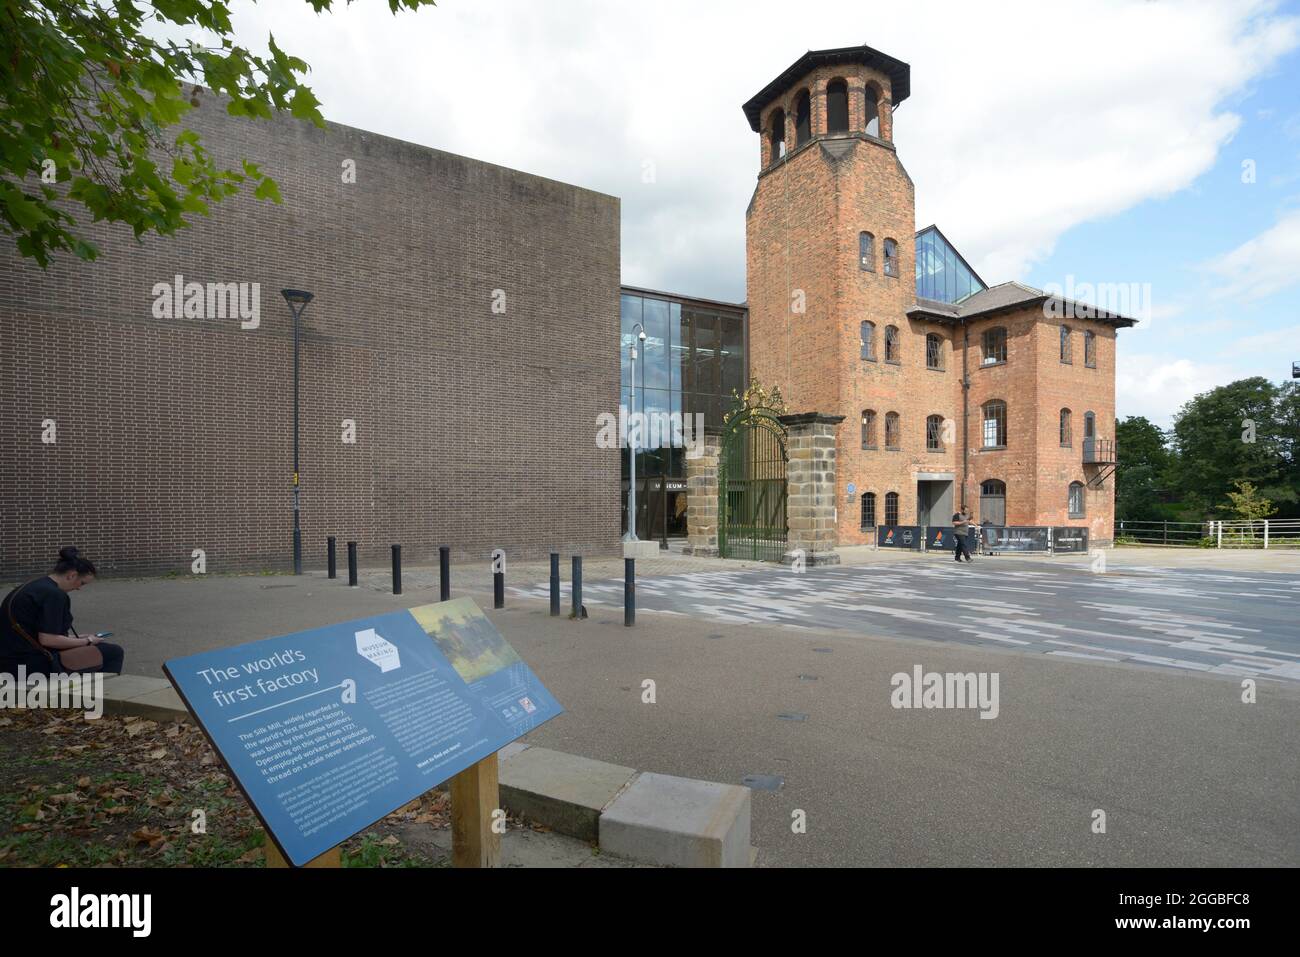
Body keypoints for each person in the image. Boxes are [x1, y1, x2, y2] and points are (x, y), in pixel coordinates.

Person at [0, 546, 124, 676]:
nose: (79, 589)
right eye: (82, 583)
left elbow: (34, 630)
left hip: (8, 659)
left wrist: (75, 638)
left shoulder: (33, 585)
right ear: (72, 575)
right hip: (29, 664)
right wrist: (87, 641)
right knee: (113, 652)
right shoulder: (54, 595)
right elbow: (48, 640)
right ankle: (101, 694)